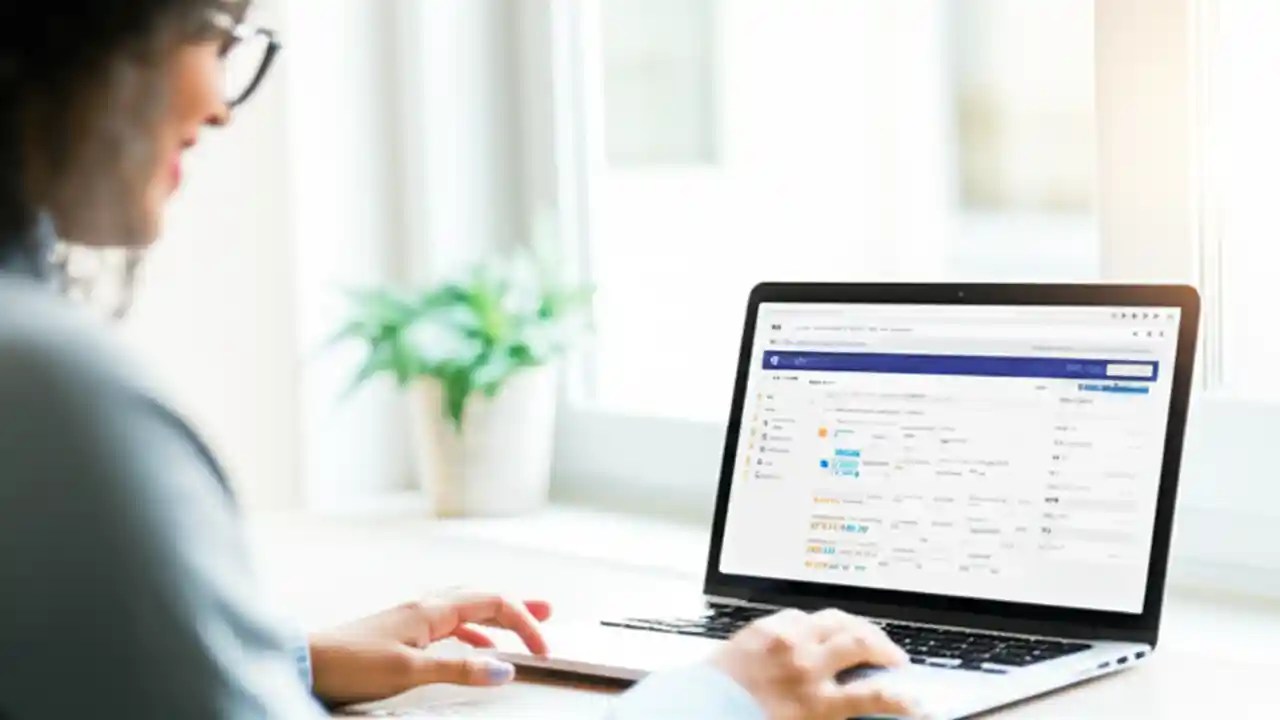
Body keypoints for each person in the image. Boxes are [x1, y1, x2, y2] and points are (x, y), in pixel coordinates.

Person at [0, 1, 914, 718]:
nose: (220, 105)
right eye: (210, 33)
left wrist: (275, 660)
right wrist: (718, 699)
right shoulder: (49, 388)